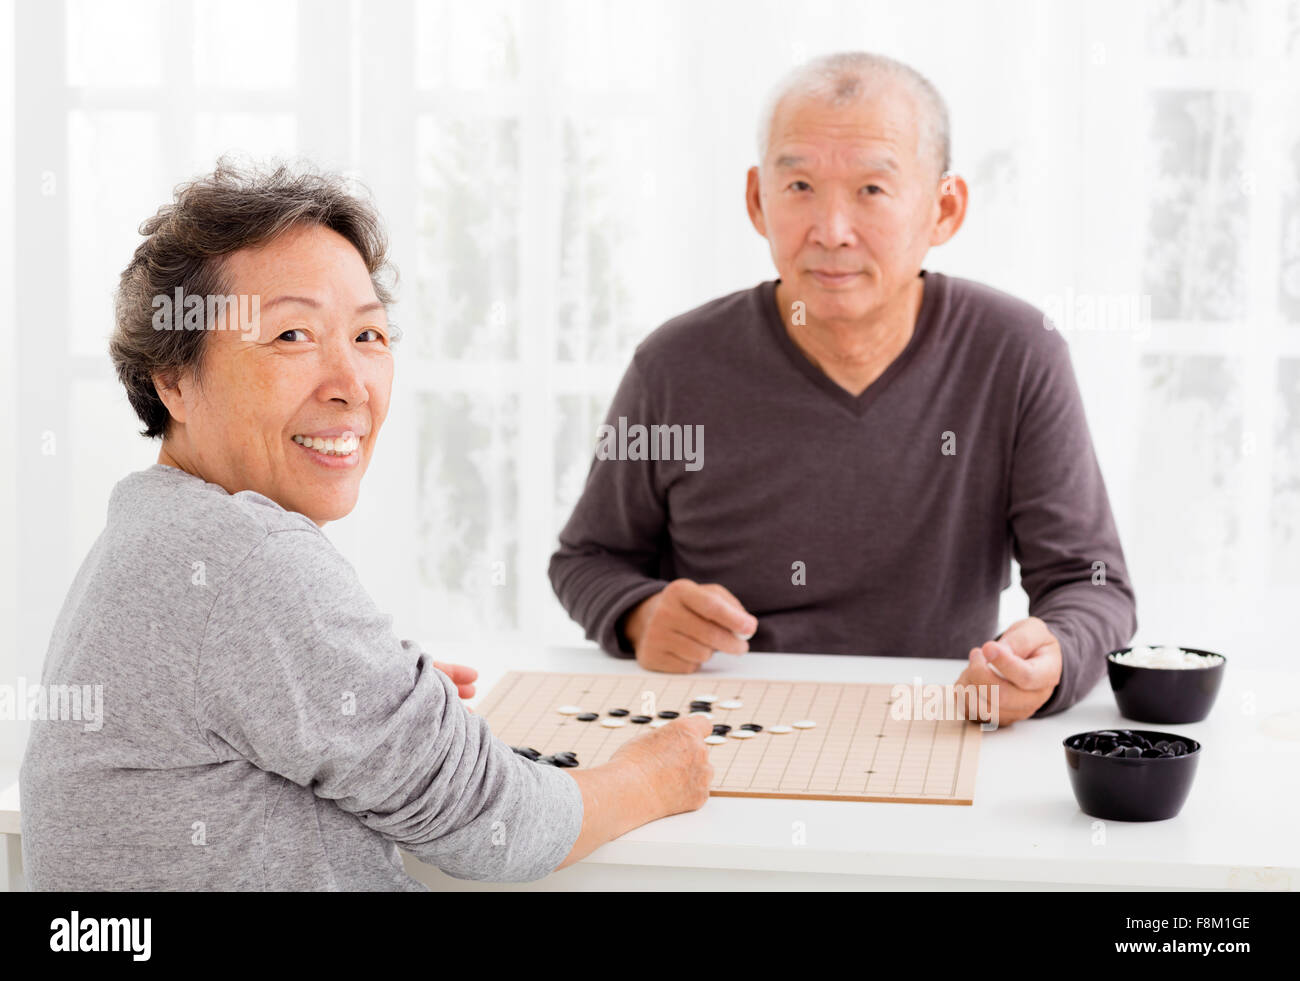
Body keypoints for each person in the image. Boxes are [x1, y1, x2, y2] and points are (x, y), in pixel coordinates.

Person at [20, 161, 712, 891]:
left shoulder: (156, 526)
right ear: (174, 378)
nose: (350, 383)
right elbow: (499, 825)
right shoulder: (246, 559)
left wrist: (354, 701)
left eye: (370, 336)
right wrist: (650, 777)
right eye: (291, 334)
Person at [549, 52, 1137, 726]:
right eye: (798, 186)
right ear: (756, 200)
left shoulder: (1017, 354)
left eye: (872, 191)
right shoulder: (673, 366)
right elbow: (588, 559)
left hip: (934, 724)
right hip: (717, 727)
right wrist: (638, 614)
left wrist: (1054, 654)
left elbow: (1094, 587)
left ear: (944, 210)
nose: (830, 232)